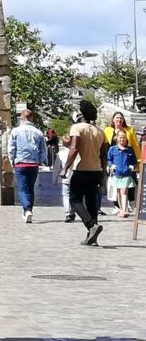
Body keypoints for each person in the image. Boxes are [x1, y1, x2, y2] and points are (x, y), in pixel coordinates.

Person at [62, 99, 107, 246]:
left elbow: (74, 149)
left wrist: (65, 167)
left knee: (74, 200)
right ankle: (92, 238)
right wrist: (103, 173)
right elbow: (104, 155)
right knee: (92, 203)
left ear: (81, 113)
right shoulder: (100, 132)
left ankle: (91, 225)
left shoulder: (77, 128)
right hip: (96, 171)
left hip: (81, 169)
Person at [7, 109, 47, 223]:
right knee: (30, 188)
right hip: (33, 164)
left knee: (22, 188)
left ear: (22, 118)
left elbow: (11, 148)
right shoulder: (38, 132)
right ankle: (29, 209)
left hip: (20, 163)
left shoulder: (16, 131)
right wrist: (40, 160)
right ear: (32, 118)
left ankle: (27, 209)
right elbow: (43, 150)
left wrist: (12, 161)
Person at [107, 130, 138, 218]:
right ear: (117, 138)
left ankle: (124, 210)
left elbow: (134, 160)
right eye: (120, 137)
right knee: (118, 191)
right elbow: (109, 159)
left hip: (126, 173)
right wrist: (110, 165)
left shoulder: (130, 149)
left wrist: (132, 166)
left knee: (124, 191)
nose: (122, 139)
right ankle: (121, 209)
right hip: (116, 173)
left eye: (124, 137)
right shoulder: (112, 149)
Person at [54, 135, 75, 221]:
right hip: (75, 177)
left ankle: (67, 213)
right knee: (74, 195)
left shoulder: (60, 154)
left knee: (66, 195)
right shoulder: (75, 153)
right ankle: (73, 212)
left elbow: (56, 167)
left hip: (65, 177)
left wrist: (54, 179)